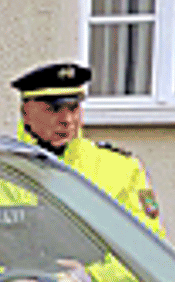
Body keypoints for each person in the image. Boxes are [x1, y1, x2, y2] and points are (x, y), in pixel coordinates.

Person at [10, 61, 166, 238]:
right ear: (26, 113)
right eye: (54, 109)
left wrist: (89, 268)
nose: (67, 120)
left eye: (73, 108)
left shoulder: (122, 169)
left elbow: (146, 244)